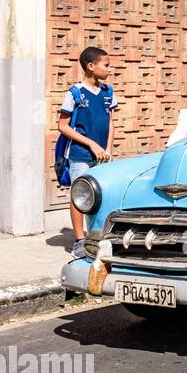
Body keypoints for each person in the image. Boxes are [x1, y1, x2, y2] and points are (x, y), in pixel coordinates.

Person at [58, 46, 117, 258]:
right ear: (91, 67)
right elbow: (63, 126)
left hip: (103, 156)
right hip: (80, 155)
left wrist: (108, 148)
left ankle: (99, 236)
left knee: (102, 195)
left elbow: (110, 122)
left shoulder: (108, 92)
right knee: (79, 196)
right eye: (106, 65)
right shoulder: (74, 93)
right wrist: (91, 144)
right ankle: (79, 240)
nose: (109, 69)